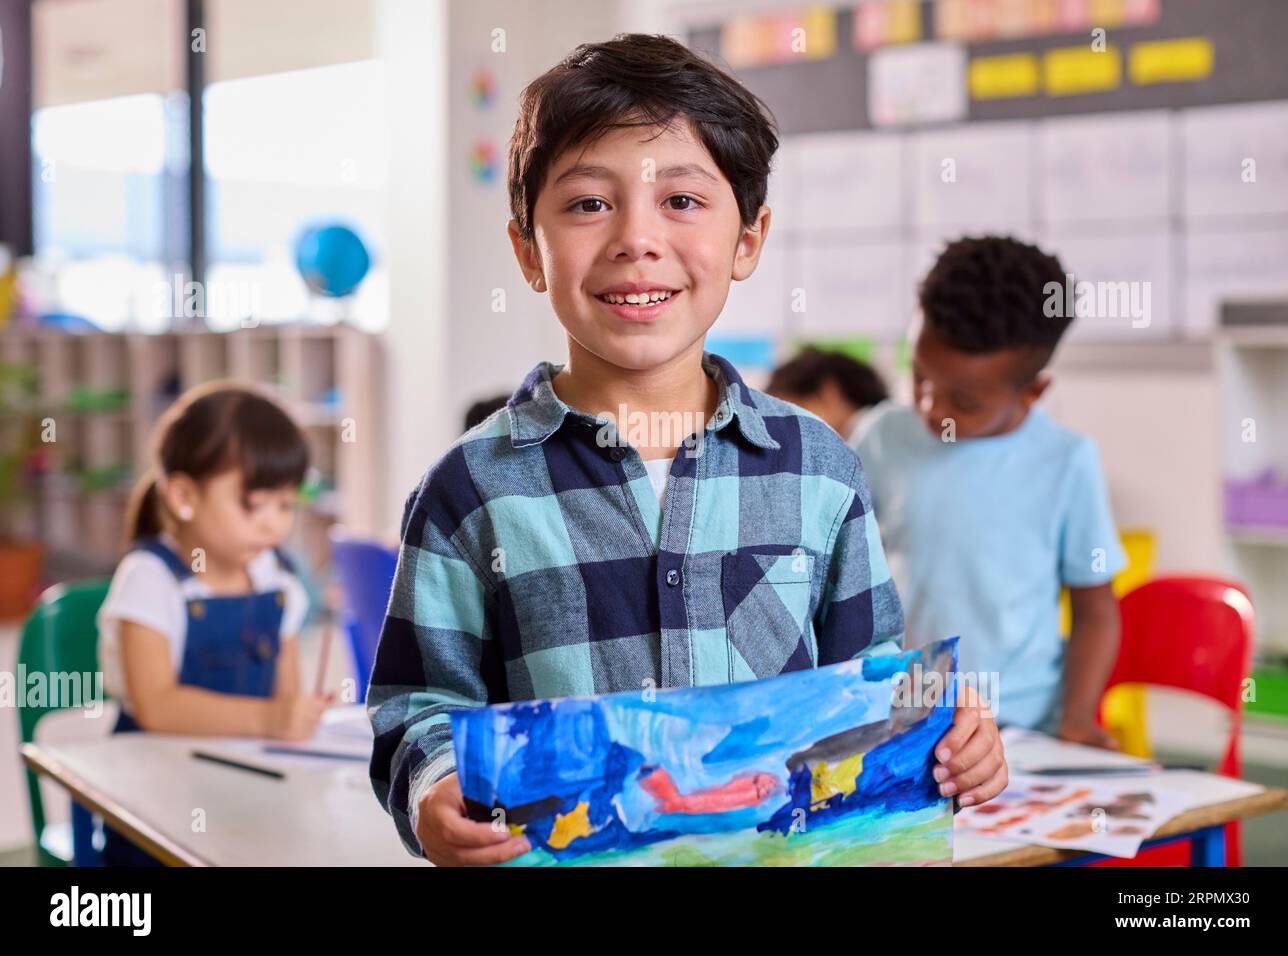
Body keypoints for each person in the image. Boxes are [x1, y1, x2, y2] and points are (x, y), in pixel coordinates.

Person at [368, 35, 1006, 866]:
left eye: (682, 201)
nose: (638, 238)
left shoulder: (819, 468)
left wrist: (953, 728)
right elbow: (418, 705)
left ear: (748, 238)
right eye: (590, 203)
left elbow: (873, 677)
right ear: (529, 249)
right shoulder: (470, 488)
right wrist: (433, 787)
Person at [855, 236, 1125, 742]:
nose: (932, 408)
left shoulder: (1066, 462)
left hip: (1019, 727)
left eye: (964, 400)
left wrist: (1076, 719)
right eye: (918, 377)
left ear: (1032, 393)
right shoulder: (880, 436)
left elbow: (1095, 610)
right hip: (901, 716)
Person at [97, 382, 332, 865]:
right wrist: (270, 719)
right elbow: (157, 706)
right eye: (253, 504)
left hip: (245, 791)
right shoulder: (150, 578)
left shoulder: (276, 578)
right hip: (152, 805)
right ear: (184, 495)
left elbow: (285, 695)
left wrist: (296, 715)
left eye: (285, 505)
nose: (275, 525)